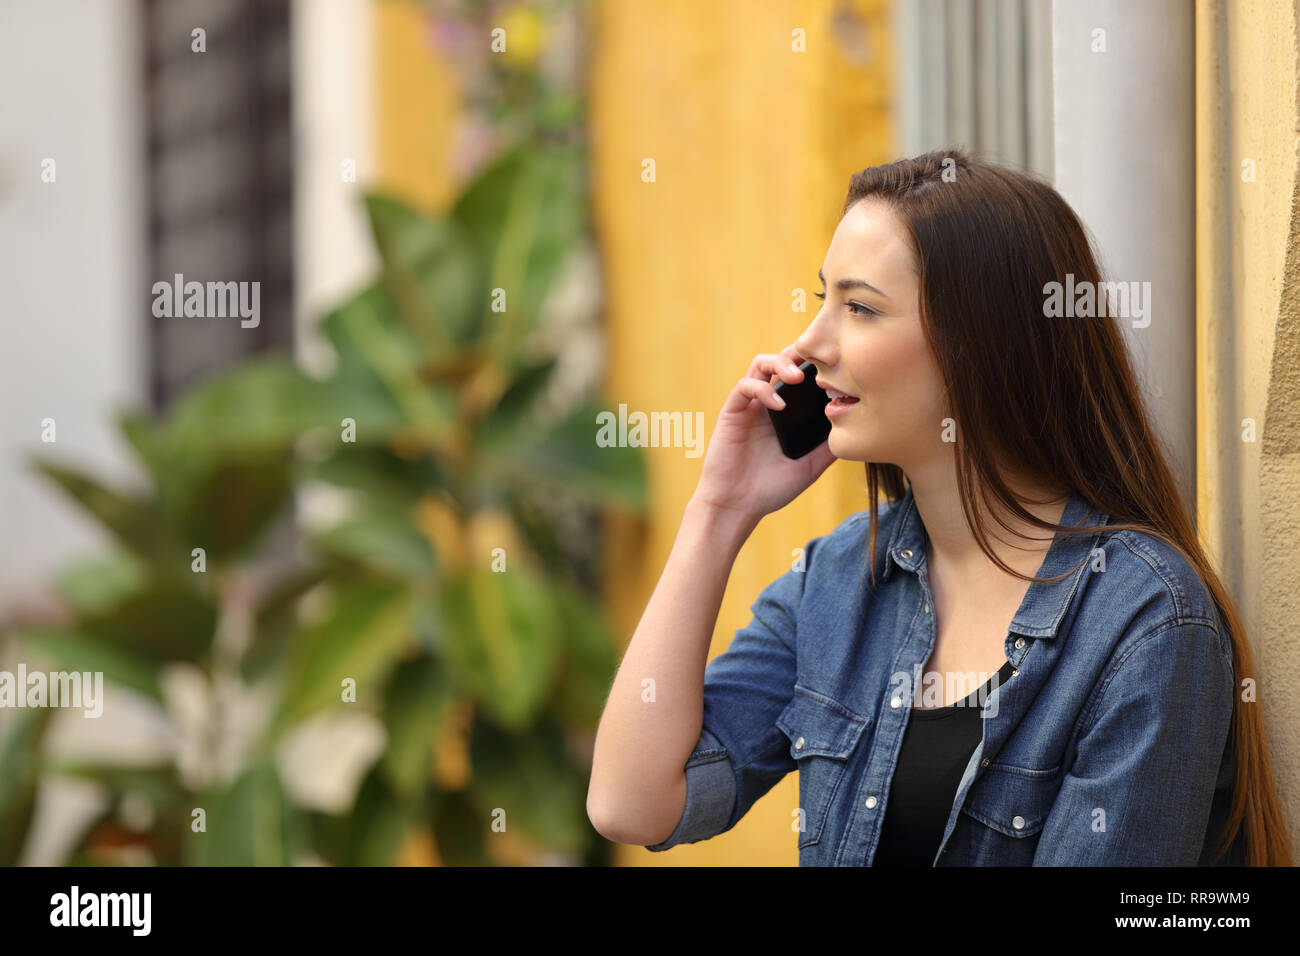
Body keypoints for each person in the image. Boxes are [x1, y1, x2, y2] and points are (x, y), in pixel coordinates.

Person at [585, 148, 1292, 866]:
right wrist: (719, 511)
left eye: (858, 308)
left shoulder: (1144, 621)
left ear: (977, 346)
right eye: (821, 298)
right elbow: (633, 801)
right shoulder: (839, 579)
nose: (808, 346)